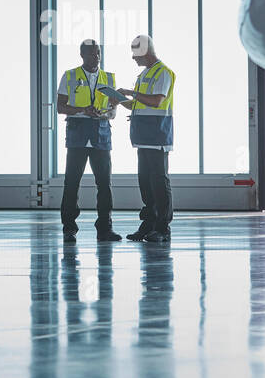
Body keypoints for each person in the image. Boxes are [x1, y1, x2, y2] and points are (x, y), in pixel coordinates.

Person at [56, 39, 122, 243]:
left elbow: (113, 110)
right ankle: (69, 228)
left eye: (99, 53)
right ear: (82, 55)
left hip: (101, 134)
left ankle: (105, 228)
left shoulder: (109, 78)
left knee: (104, 184)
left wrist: (104, 114)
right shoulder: (69, 76)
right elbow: (60, 107)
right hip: (77, 136)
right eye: (92, 54)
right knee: (71, 183)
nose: (97, 57)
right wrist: (83, 110)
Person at [117, 34, 175, 243]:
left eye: (135, 52)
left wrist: (131, 93)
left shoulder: (163, 73)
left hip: (157, 136)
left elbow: (157, 101)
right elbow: (138, 104)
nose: (133, 57)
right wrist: (120, 99)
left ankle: (162, 228)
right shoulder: (143, 76)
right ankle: (149, 224)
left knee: (159, 183)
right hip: (142, 138)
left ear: (145, 51)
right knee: (146, 183)